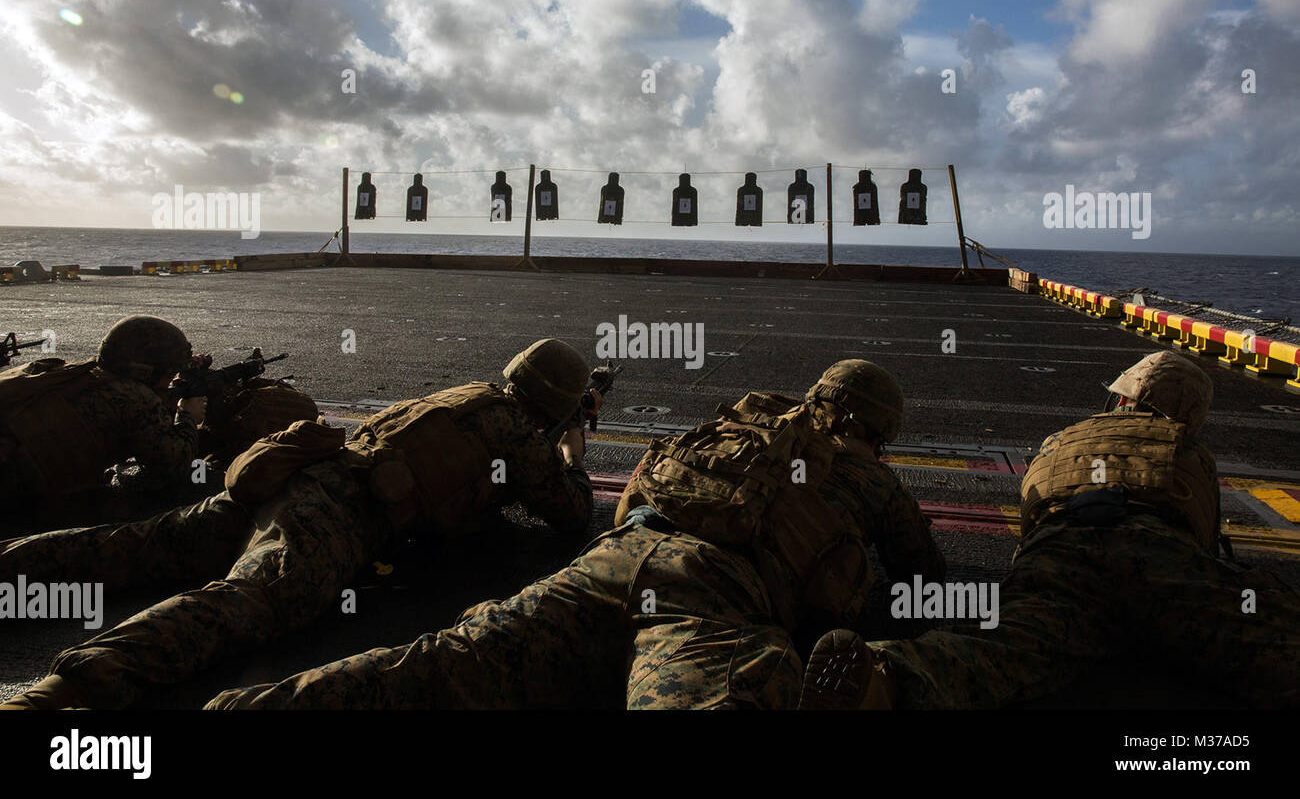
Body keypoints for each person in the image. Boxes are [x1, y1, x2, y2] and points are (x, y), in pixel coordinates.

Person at [203, 359, 946, 710]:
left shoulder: (733, 425)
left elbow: (611, 505)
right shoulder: (872, 477)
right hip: (715, 597)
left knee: (442, 664)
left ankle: (247, 707)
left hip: (616, 559)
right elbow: (924, 579)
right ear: (873, 427)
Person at [0, 338, 597, 709]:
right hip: (334, 515)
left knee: (139, 545)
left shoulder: (468, 396)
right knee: (248, 604)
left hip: (293, 477)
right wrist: (571, 446)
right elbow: (569, 513)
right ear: (558, 403)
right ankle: (69, 689)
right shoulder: (515, 432)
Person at [798, 350, 1300, 710]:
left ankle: (884, 677)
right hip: (1161, 553)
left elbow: (1032, 522)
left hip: (1060, 555)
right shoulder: (1190, 451)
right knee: (1266, 637)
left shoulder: (1060, 441)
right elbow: (1202, 541)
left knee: (1001, 649)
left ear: (1119, 398)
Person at [0, 315, 206, 506]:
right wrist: (188, 416)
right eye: (169, 373)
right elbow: (171, 466)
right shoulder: (136, 398)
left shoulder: (86, 374)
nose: (171, 378)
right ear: (146, 371)